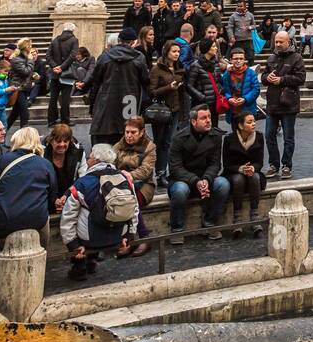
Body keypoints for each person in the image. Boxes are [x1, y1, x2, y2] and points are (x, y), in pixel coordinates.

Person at [59, 141, 140, 280]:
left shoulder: (83, 182)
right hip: (117, 238)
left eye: (90, 157)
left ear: (95, 161)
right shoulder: (125, 179)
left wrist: (73, 245)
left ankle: (79, 266)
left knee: (81, 212)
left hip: (90, 240)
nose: (88, 160)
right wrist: (130, 236)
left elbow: (68, 216)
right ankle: (92, 261)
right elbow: (135, 209)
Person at [167, 105, 229, 243]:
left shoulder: (215, 136)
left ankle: (210, 222)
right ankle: (177, 229)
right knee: (180, 190)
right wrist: (196, 181)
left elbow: (215, 164)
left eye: (209, 117)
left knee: (223, 184)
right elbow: (175, 168)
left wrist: (206, 179)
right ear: (193, 121)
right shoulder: (179, 138)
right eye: (203, 118)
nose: (208, 121)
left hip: (205, 178)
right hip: (184, 179)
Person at [89, 29, 149, 146]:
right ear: (133, 42)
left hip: (105, 104)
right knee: (129, 140)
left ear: (119, 40)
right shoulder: (139, 57)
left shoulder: (105, 56)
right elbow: (145, 81)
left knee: (103, 147)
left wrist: (92, 105)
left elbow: (95, 81)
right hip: (129, 102)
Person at [0, 127, 57, 243]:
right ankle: (42, 254)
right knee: (45, 225)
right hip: (36, 221)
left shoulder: (3, 160)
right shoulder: (46, 164)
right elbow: (52, 196)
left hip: (5, 220)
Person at [262, 30, 306, 180]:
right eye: (276, 41)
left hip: (288, 103)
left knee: (288, 137)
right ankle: (273, 164)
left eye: (281, 42)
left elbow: (301, 78)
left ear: (289, 42)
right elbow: (263, 77)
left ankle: (287, 165)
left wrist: (282, 80)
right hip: (272, 102)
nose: (278, 44)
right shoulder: (271, 57)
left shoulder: (297, 58)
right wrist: (266, 77)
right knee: (269, 136)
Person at [113, 116, 156, 256]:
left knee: (129, 200)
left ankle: (141, 237)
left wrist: (130, 175)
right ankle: (122, 240)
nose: (129, 136)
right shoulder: (119, 145)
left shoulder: (150, 147)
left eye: (133, 132)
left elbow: (146, 170)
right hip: (121, 185)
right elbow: (109, 161)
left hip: (143, 186)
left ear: (142, 132)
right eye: (127, 132)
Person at [148, 41, 186, 186]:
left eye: (178, 51)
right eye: (174, 51)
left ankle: (167, 172)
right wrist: (169, 87)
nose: (176, 54)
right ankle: (159, 173)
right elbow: (152, 92)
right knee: (160, 142)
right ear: (166, 52)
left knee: (170, 142)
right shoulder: (157, 69)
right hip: (161, 111)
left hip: (175, 109)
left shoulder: (179, 67)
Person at [224, 110, 266, 238]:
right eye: (249, 122)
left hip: (252, 174)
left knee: (255, 177)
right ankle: (237, 218)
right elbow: (226, 165)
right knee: (238, 180)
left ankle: (254, 215)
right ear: (240, 125)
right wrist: (240, 169)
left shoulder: (259, 137)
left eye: (254, 121)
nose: (254, 124)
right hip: (234, 173)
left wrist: (253, 168)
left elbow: (260, 162)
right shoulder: (229, 139)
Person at [42, 123, 84, 210]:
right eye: (58, 141)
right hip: (47, 198)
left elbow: (82, 179)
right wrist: (53, 199)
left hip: (71, 197)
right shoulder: (41, 154)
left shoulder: (79, 153)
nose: (62, 144)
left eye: (65, 141)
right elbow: (39, 181)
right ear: (51, 141)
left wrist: (68, 194)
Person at [46, 23, 79, 127]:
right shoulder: (74, 40)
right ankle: (65, 120)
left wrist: (55, 66)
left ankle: (51, 121)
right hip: (66, 74)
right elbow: (73, 56)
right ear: (72, 30)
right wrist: (62, 67)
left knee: (53, 99)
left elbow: (48, 55)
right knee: (65, 99)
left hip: (54, 74)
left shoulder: (55, 40)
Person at [220, 48, 261, 126]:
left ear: (244, 59)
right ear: (231, 60)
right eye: (236, 58)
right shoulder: (227, 73)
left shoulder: (251, 73)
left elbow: (256, 89)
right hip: (233, 110)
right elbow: (224, 89)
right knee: (235, 134)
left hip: (247, 110)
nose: (238, 61)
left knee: (249, 134)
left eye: (241, 58)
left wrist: (245, 99)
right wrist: (229, 98)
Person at [226, 0, 256, 66]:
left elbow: (254, 25)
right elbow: (230, 27)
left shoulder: (250, 15)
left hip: (248, 40)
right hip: (238, 41)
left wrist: (250, 27)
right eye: (238, 6)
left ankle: (250, 69)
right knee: (238, 57)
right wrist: (231, 36)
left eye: (241, 6)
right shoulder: (233, 16)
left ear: (245, 6)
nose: (239, 8)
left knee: (251, 57)